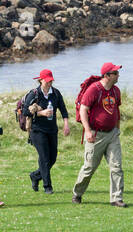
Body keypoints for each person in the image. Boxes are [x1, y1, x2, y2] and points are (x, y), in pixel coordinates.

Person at [72, 62, 126, 207]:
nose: (118, 75)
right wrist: (88, 131)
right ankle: (77, 193)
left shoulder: (116, 91)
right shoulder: (93, 90)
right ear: (107, 75)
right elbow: (83, 110)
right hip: (96, 135)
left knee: (116, 167)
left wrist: (117, 128)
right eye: (115, 73)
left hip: (112, 134)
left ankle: (116, 198)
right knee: (89, 168)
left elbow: (116, 110)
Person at [22, 68, 70, 193]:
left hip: (52, 130)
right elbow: (25, 111)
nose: (49, 83)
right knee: (44, 158)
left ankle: (36, 175)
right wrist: (41, 113)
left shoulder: (56, 93)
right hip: (37, 130)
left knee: (52, 158)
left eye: (51, 81)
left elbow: (63, 109)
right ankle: (47, 186)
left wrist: (66, 124)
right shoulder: (34, 94)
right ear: (41, 80)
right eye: (47, 81)